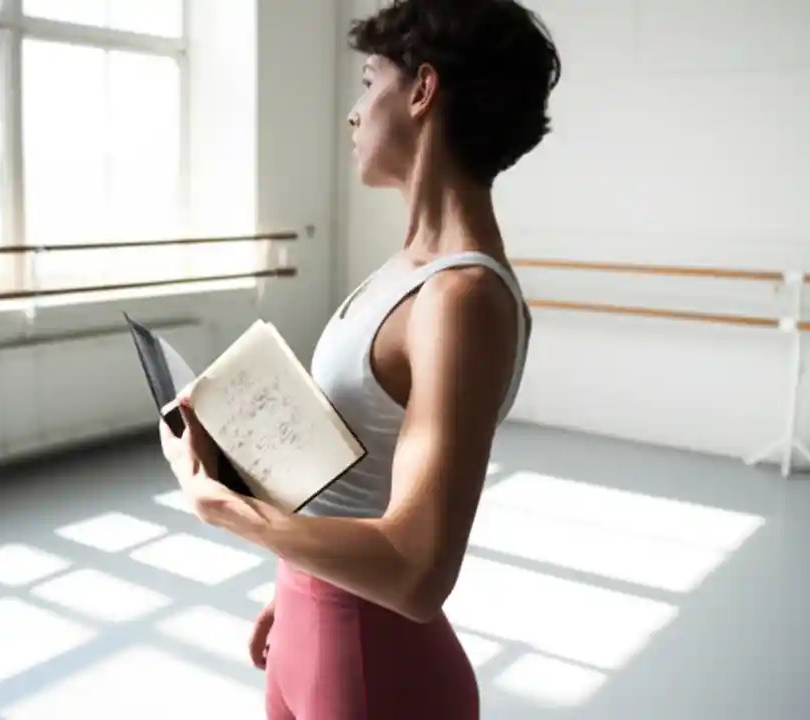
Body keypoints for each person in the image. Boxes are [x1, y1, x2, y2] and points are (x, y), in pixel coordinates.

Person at [159, 1, 561, 717]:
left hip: (376, 671)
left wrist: (224, 510)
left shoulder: (460, 298)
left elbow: (415, 571)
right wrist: (294, 587)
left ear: (421, 91)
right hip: (316, 633)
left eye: (369, 80)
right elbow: (357, 485)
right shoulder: (406, 270)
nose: (354, 112)